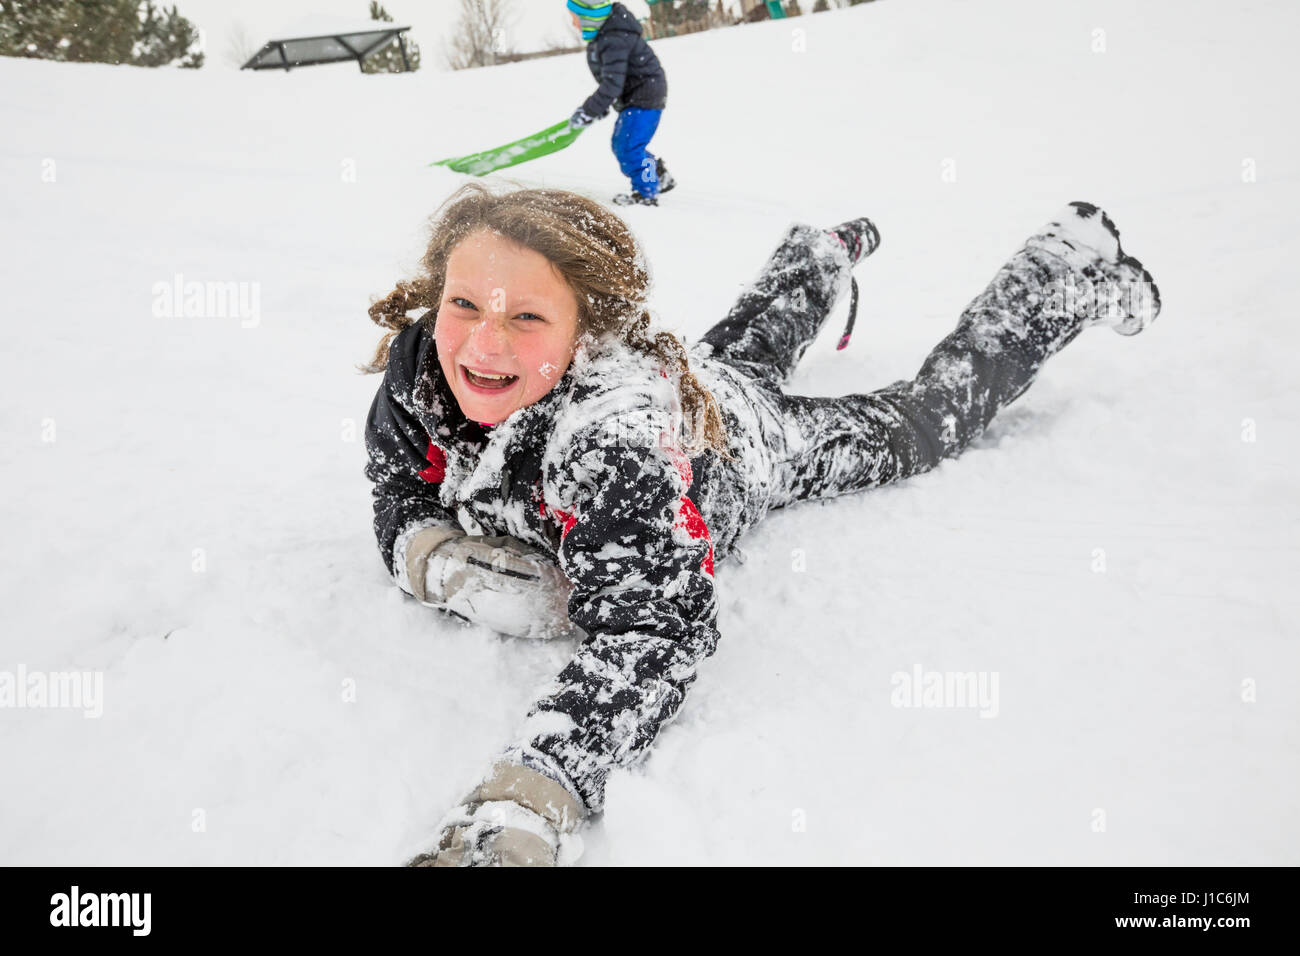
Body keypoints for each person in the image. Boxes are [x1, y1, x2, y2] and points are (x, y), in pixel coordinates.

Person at [361, 184, 1160, 866]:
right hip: (695, 379)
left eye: (527, 317)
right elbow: (400, 482)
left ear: (588, 331)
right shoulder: (425, 366)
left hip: (744, 450)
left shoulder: (613, 448)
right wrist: (435, 558)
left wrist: (527, 799)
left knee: (921, 422)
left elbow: (655, 634)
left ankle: (1063, 275)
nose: (482, 341)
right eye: (464, 302)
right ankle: (821, 253)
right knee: (742, 350)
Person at [566, 1, 675, 206]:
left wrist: (590, 110)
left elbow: (612, 84)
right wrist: (601, 106)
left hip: (645, 95)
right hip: (640, 94)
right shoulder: (607, 35)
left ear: (588, 17)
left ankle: (647, 194)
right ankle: (657, 176)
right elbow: (615, 80)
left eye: (575, 18)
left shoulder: (613, 38)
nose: (573, 24)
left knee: (628, 147)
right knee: (626, 145)